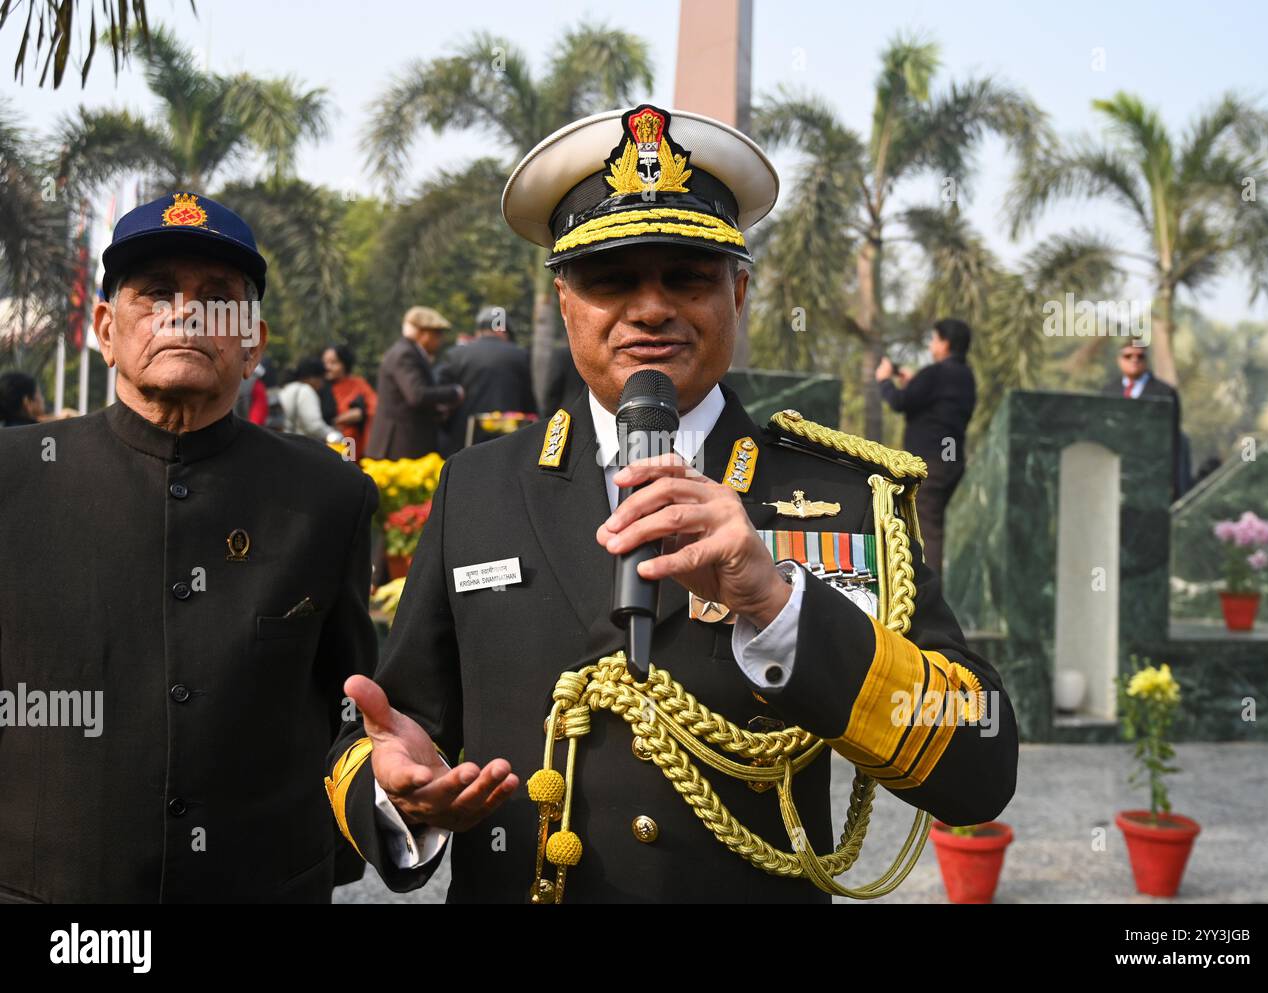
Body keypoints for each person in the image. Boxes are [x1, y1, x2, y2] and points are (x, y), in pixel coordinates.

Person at [326, 105, 1017, 904]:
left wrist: (781, 605)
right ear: (562, 300)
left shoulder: (840, 495)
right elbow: (390, 725)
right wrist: (395, 788)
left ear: (741, 291)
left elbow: (979, 763)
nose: (651, 308)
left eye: (687, 275)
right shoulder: (478, 487)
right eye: (611, 278)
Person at [0, 191, 377, 902]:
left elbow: (347, 708)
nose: (185, 312)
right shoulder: (14, 478)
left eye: (216, 297)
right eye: (157, 293)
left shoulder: (327, 495)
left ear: (253, 343)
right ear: (107, 330)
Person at [876, 318, 976, 585]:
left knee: (927, 529)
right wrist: (916, 381)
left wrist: (885, 381)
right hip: (950, 461)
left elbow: (900, 402)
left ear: (945, 343)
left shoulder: (936, 374)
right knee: (930, 525)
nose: (932, 345)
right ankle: (922, 588)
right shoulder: (966, 377)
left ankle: (926, 596)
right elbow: (936, 405)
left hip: (931, 461)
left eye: (934, 339)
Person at [436, 305, 537, 455]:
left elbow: (441, 397)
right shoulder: (520, 355)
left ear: (478, 329)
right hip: (507, 440)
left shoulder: (456, 355)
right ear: (502, 329)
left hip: (463, 440)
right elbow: (528, 401)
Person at [368, 306, 465, 460]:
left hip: (404, 443)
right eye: (437, 334)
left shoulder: (409, 352)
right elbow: (416, 394)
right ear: (423, 333)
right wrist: (454, 392)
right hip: (400, 445)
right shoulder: (405, 353)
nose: (440, 340)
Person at [1100, 339, 1185, 500]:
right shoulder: (1109, 392)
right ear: (1119, 360)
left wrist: (1172, 480)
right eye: (1128, 356)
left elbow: (1173, 441)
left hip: (1151, 475)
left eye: (1140, 356)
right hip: (1115, 474)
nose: (1134, 360)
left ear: (1146, 360)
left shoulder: (1165, 393)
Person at [324, 343, 377, 456]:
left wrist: (361, 413)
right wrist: (339, 420)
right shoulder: (321, 387)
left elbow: (374, 407)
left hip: (355, 447)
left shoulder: (358, 384)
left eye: (333, 363)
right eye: (325, 363)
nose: (327, 367)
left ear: (345, 364)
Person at [280, 356, 344, 444]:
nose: (322, 384)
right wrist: (334, 434)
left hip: (283, 440)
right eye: (321, 379)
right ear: (312, 378)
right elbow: (314, 426)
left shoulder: (287, 388)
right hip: (298, 445)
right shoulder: (306, 391)